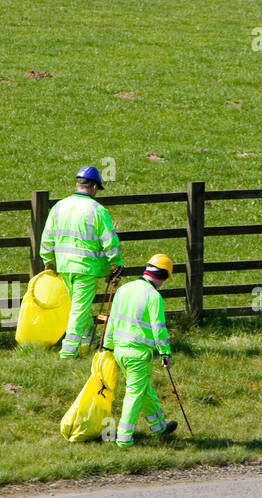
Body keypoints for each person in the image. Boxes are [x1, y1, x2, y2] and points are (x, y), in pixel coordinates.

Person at [39, 166, 123, 358]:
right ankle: (68, 351)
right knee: (79, 308)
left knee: (78, 306)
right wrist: (116, 263)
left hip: (64, 266)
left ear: (78, 184)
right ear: (93, 187)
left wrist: (49, 261)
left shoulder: (58, 207)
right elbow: (110, 241)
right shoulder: (97, 210)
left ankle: (90, 341)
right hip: (87, 267)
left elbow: (47, 239)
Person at [104, 253, 179, 447]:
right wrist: (165, 353)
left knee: (144, 389)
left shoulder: (124, 289)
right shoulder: (154, 296)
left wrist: (107, 346)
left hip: (119, 351)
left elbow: (111, 319)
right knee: (134, 394)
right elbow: (159, 328)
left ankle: (159, 428)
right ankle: (123, 438)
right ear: (162, 276)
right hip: (137, 354)